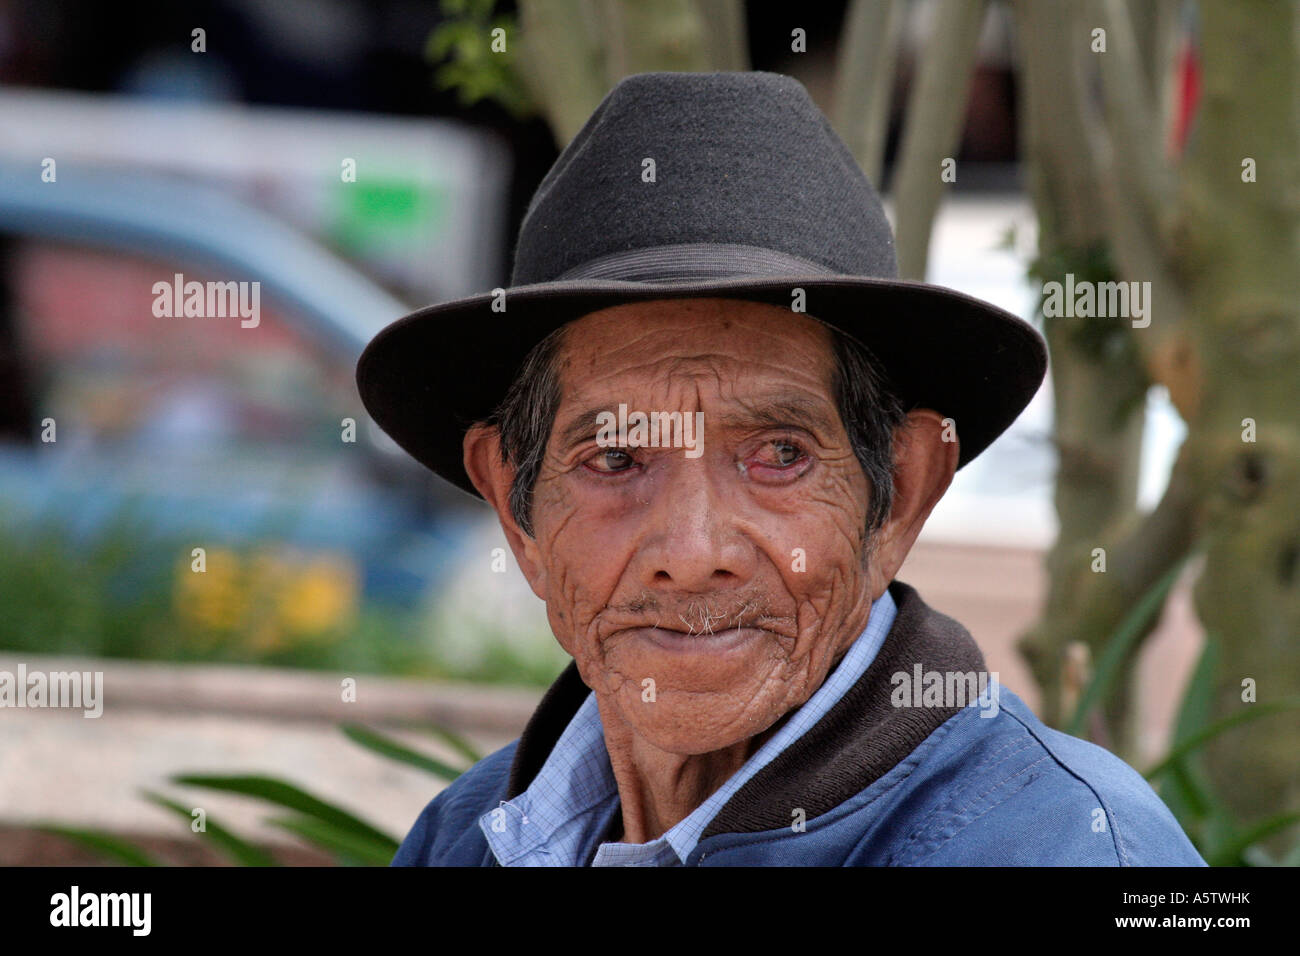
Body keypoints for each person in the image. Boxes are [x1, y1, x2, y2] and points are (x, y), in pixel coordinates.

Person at [357, 71, 1205, 866]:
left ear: (898, 498)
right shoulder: (467, 839)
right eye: (615, 457)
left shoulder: (1071, 850)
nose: (691, 550)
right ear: (516, 509)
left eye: (779, 456)